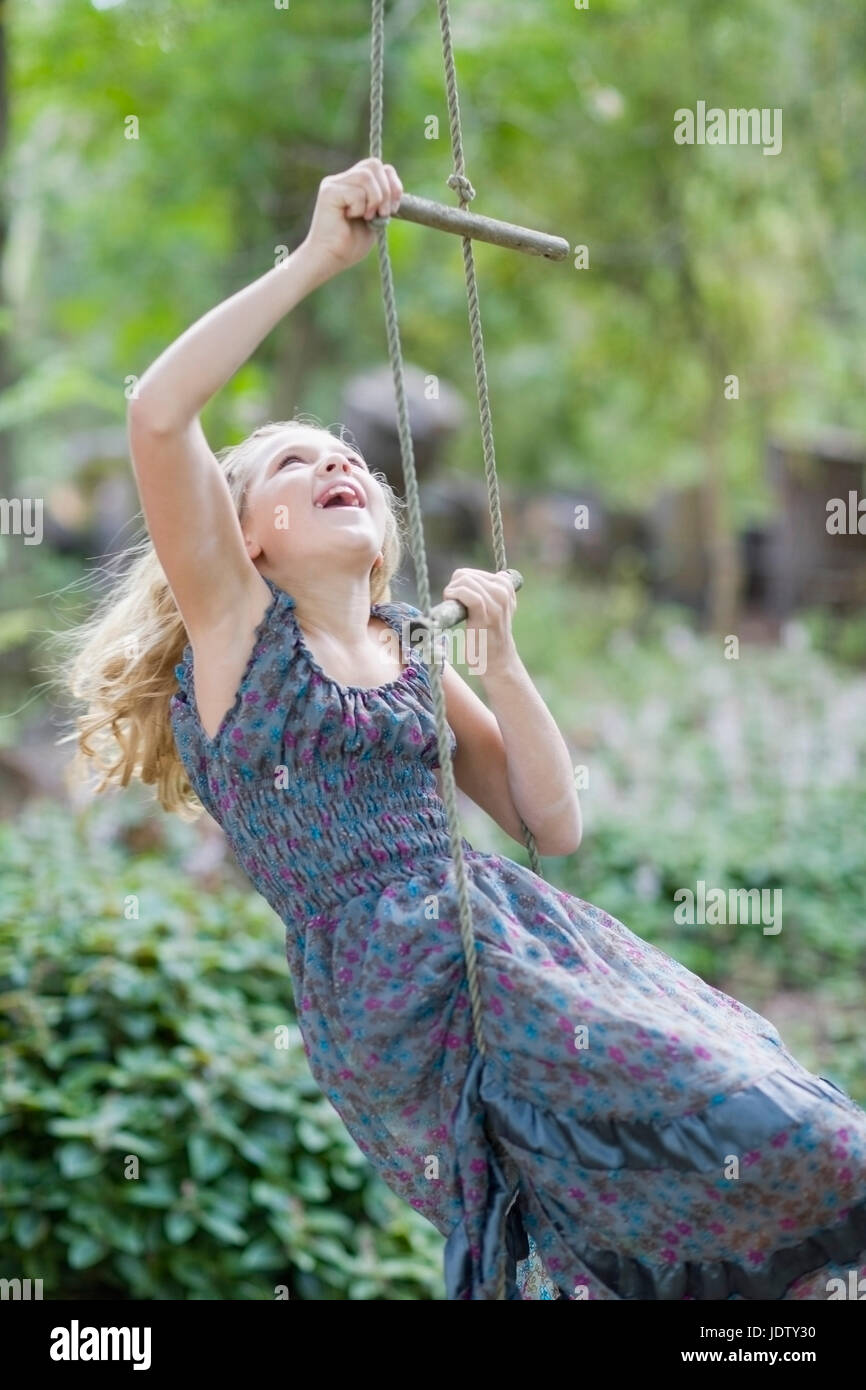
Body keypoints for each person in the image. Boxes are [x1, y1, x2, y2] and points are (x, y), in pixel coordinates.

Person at [61, 157, 866, 1300]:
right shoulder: (241, 635)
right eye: (294, 463)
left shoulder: (411, 653)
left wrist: (503, 659)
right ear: (246, 538)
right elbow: (156, 411)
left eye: (345, 456)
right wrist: (320, 257)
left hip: (518, 950)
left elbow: (552, 820)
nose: (338, 460)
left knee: (717, 1140)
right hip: (405, 989)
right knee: (793, 1139)